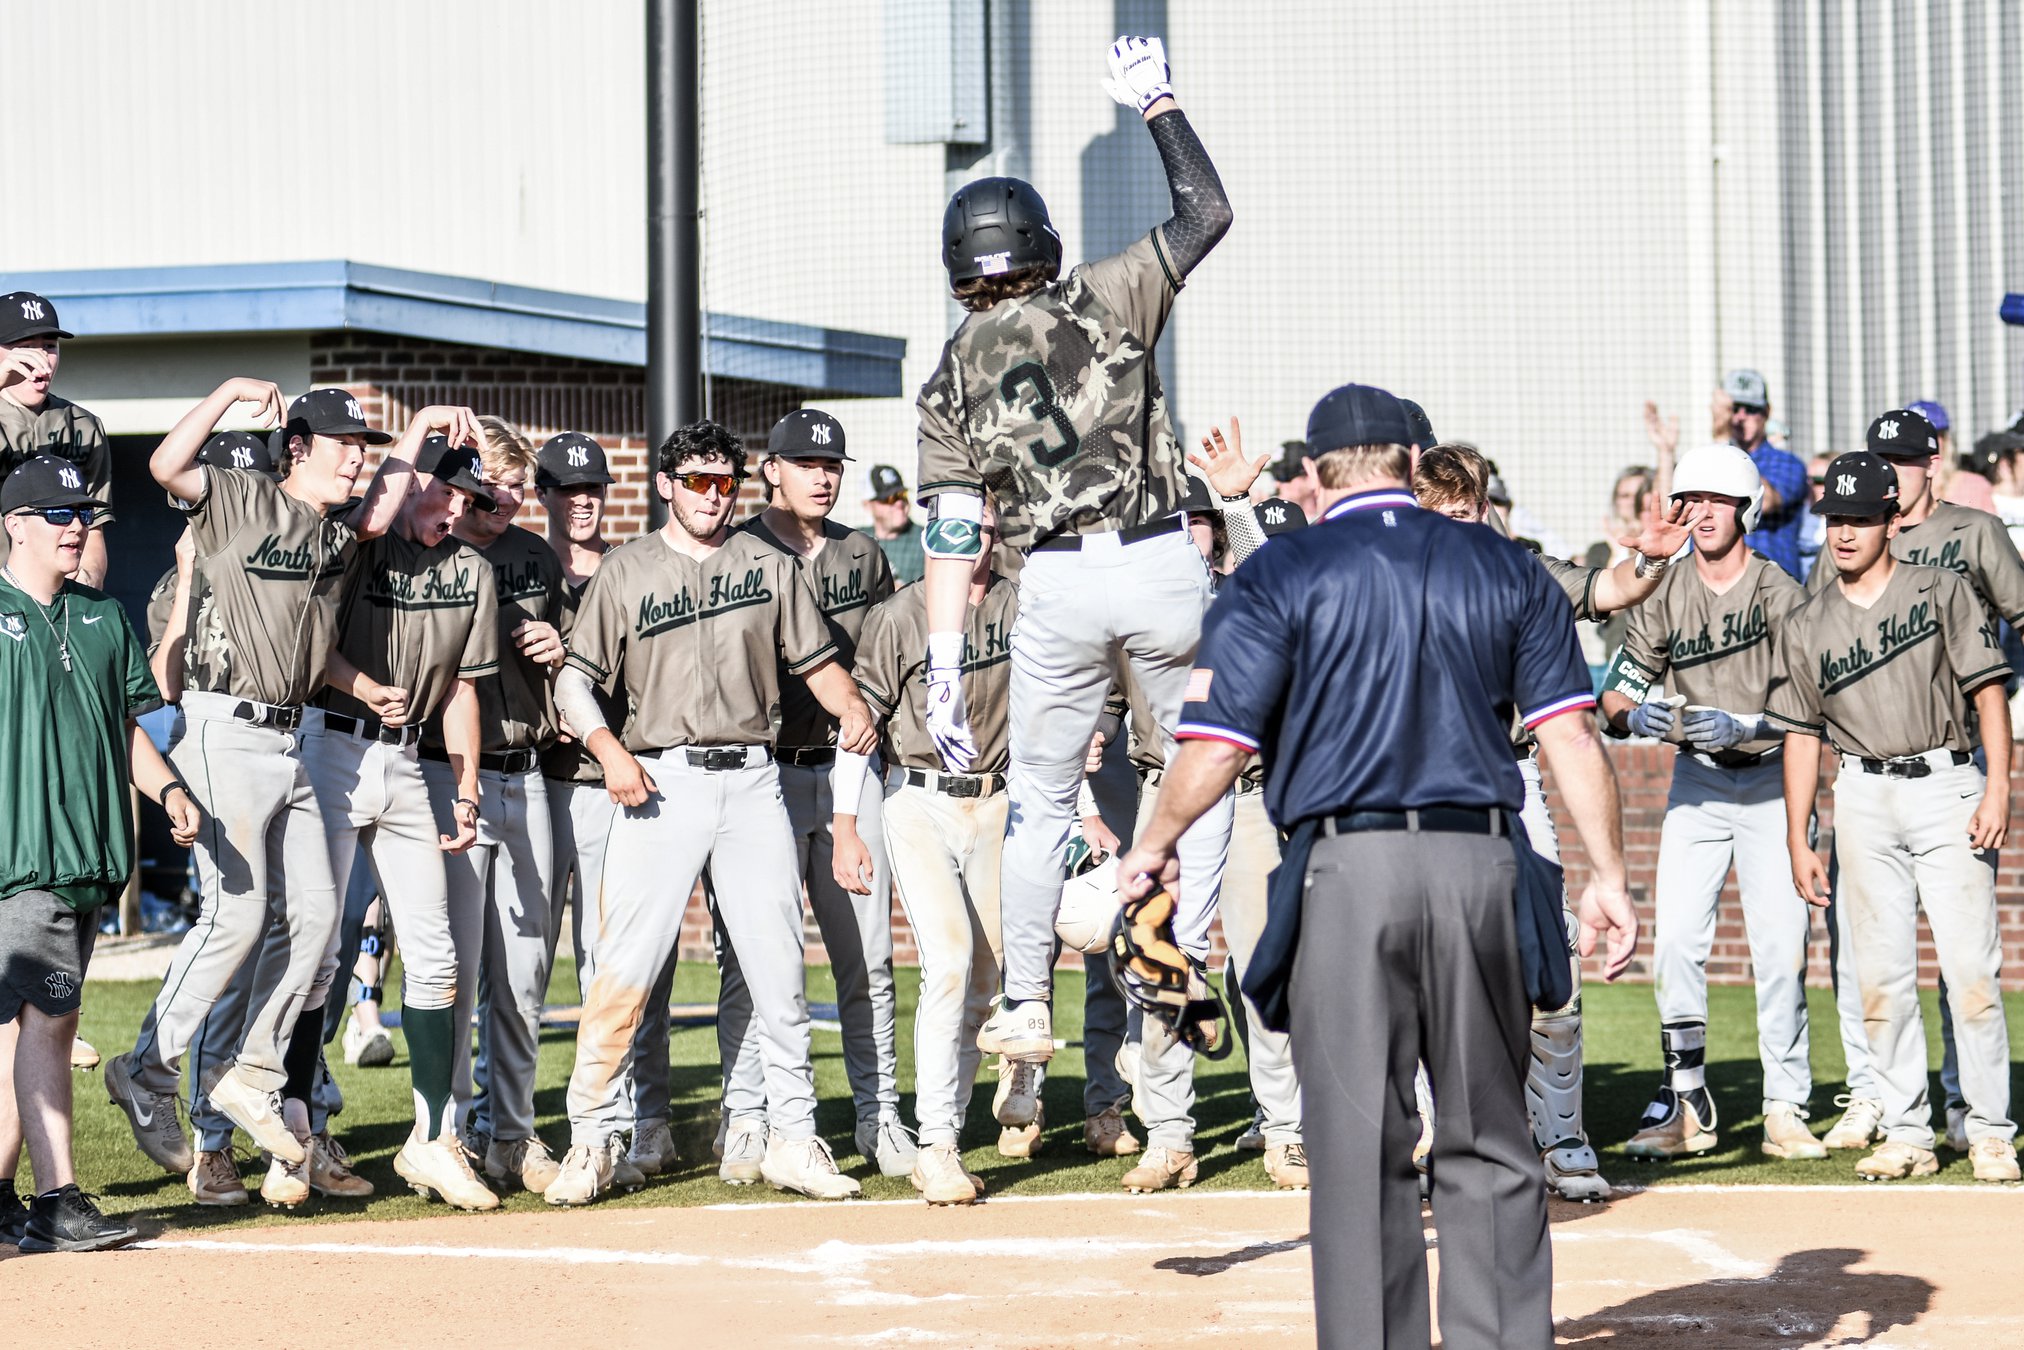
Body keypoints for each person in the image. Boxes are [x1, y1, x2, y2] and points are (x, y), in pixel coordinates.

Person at [1118, 384, 1638, 1350]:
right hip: (1483, 859)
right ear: (1411, 458)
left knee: (1360, 1153)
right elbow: (1569, 734)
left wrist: (1151, 847)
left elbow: (1217, 747)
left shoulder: (1278, 573)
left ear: (1313, 473)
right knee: (1490, 1136)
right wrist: (1607, 873)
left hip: (1345, 871)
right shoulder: (1504, 564)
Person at [914, 33, 1233, 1064]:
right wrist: (1157, 105)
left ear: (961, 266)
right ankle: (1174, 944)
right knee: (1188, 764)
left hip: (1051, 579)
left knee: (1043, 800)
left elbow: (955, 534)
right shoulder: (1103, 292)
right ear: (1040, 245)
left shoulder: (950, 375)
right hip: (1158, 558)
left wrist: (943, 664)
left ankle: (1026, 1007)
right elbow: (1206, 214)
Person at [546, 419, 877, 1205]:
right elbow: (572, 682)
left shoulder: (769, 563)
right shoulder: (626, 570)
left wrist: (858, 716)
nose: (710, 495)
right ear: (665, 485)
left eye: (723, 481)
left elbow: (822, 668)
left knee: (778, 970)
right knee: (623, 970)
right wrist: (609, 751)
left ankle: (794, 1138)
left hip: (754, 782)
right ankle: (593, 1138)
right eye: (694, 480)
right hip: (658, 780)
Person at [106, 383, 421, 1192]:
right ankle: (147, 1067)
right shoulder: (243, 496)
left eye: (366, 442)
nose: (359, 452)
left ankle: (252, 1070)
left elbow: (313, 652)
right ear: (300, 446)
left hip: (290, 735)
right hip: (222, 727)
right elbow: (165, 462)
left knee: (318, 920)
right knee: (238, 912)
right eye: (344, 441)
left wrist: (358, 688)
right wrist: (228, 395)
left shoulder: (331, 536)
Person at [1414, 440, 1690, 1204]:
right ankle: (1427, 1135)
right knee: (1414, 963)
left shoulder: (1517, 569)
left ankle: (1562, 1135)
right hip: (1409, 784)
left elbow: (1606, 588)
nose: (1458, 523)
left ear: (1486, 507)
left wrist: (1656, 562)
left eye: (1469, 508)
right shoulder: (1388, 575)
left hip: (1510, 773)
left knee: (1555, 960)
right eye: (1441, 511)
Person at [1771, 448, 2019, 1183]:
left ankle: (1990, 1132)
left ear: (1890, 518)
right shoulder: (1807, 618)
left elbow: (1989, 696)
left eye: (1859, 516)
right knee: (1880, 976)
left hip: (1946, 784)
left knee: (1971, 970)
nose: (1844, 531)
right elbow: (1800, 733)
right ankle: (1908, 1132)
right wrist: (1798, 833)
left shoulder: (1942, 590)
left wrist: (1998, 788)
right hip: (1862, 796)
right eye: (1834, 518)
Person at [296, 429, 500, 1212]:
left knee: (439, 956)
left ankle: (434, 1138)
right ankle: (300, 1130)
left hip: (409, 760)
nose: (455, 508)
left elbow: (461, 692)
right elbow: (371, 519)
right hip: (332, 747)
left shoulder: (472, 570)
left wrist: (470, 789)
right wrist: (418, 434)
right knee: (317, 948)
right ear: (411, 483)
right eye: (442, 490)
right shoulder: (363, 543)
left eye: (467, 498)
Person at [1596, 444, 1818, 1162]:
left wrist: (1749, 724)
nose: (1705, 514)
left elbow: (1811, 709)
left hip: (1768, 780)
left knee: (1780, 949)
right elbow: (1617, 692)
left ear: (1746, 508)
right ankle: (1687, 1102)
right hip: (1697, 781)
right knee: (1676, 946)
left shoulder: (1780, 591)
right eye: (1691, 501)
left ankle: (1786, 1104)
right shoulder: (1665, 589)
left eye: (1719, 502)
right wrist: (1636, 718)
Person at [0, 455, 198, 1252]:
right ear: (13, 524)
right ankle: (58, 1199)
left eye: (82, 513)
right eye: (57, 514)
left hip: (88, 862)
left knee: (25, 1031)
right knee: (48, 1022)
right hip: (21, 861)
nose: (76, 526)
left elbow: (126, 733)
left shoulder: (103, 617)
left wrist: (171, 791)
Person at [725, 409, 910, 1179]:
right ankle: (747, 1118)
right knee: (749, 961)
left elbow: (887, 663)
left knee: (865, 956)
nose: (823, 474)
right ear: (772, 469)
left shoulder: (861, 553)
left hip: (846, 769)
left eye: (832, 463)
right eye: (805, 462)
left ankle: (879, 1115)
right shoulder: (738, 550)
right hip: (760, 774)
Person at [834, 503, 1013, 1203]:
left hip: (999, 798)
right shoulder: (901, 613)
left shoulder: (1018, 601)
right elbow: (860, 723)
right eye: (965, 531)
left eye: (990, 531)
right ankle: (935, 1142)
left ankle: (954, 1129)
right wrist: (847, 823)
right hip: (919, 798)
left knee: (988, 976)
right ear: (938, 536)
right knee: (948, 961)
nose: (979, 544)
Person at [422, 418, 567, 1195]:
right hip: (447, 775)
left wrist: (556, 642)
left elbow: (569, 657)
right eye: (493, 486)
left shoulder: (533, 556)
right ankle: (446, 1131)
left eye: (518, 485)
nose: (507, 499)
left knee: (525, 970)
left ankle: (510, 1131)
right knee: (455, 967)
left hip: (529, 769)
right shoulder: (433, 551)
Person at [0, 294, 111, 587]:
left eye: (49, 346)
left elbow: (94, 528)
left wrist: (88, 585)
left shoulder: (84, 425)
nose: (39, 358)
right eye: (23, 348)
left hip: (53, 603)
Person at [1721, 369, 1808, 580]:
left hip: (1772, 588)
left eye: (1751, 409)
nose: (1740, 417)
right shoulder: (1709, 458)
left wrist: (1724, 444)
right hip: (1716, 589)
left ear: (1766, 412)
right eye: (1733, 408)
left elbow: (1766, 502)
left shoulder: (1788, 463)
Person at [861, 464, 924, 586]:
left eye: (902, 496)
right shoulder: (857, 540)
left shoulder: (926, 540)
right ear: (868, 505)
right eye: (888, 499)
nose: (899, 503)